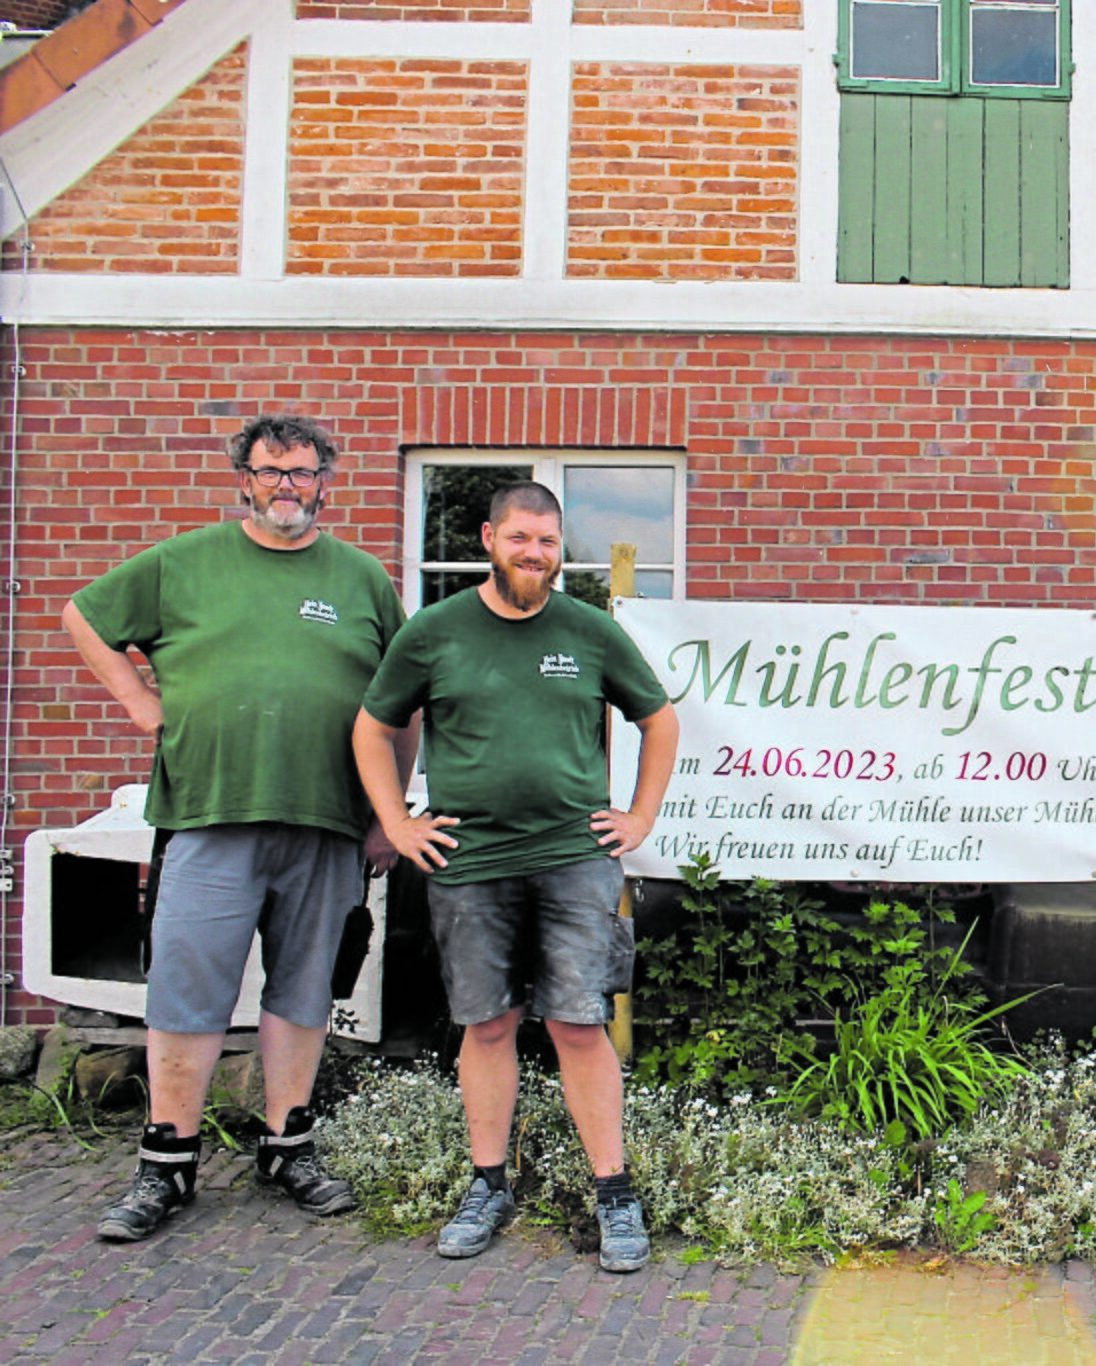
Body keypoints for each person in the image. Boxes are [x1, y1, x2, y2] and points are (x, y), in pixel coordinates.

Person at [63, 414, 411, 1242]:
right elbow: (83, 617)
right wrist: (142, 704)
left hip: (328, 822)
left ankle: (287, 1146)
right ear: (243, 480)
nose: (286, 486)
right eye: (270, 472)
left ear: (327, 483)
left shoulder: (363, 580)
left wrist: (389, 815)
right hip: (207, 814)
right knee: (187, 991)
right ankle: (167, 1164)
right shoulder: (184, 562)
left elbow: (403, 706)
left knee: (303, 992)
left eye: (301, 472)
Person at [352, 481, 679, 1274]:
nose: (536, 554)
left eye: (549, 541)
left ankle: (614, 1193)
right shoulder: (434, 632)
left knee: (577, 1023)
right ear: (488, 539)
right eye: (521, 537)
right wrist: (397, 824)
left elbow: (659, 719)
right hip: (471, 863)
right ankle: (488, 1184)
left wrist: (638, 819)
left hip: (573, 859)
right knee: (488, 1024)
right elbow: (373, 726)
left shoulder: (589, 630)